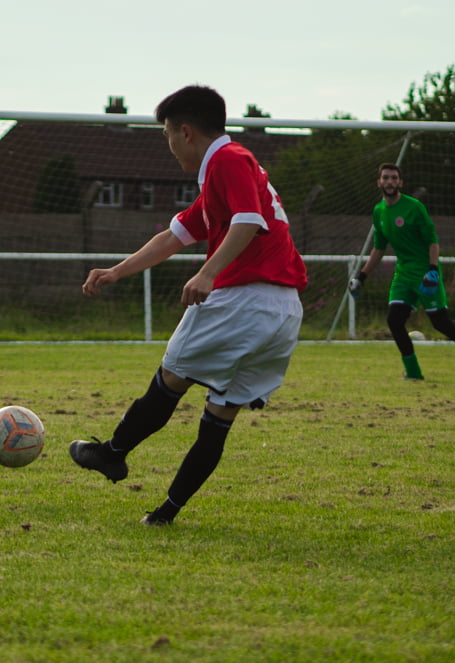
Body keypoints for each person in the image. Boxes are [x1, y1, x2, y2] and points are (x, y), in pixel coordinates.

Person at [68, 84, 307, 525]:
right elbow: (172, 236)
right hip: (284, 312)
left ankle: (112, 454)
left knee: (169, 381)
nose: (169, 145)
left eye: (167, 135)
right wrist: (116, 271)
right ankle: (165, 514)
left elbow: (250, 222)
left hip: (244, 302)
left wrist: (208, 273)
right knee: (219, 415)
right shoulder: (224, 177)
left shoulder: (228, 159)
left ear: (186, 131)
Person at [349, 163, 455, 379]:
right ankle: (413, 373)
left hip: (425, 273)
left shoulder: (414, 207)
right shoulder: (379, 211)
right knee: (394, 321)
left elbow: (432, 240)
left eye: (394, 178)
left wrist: (432, 269)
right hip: (403, 274)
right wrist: (361, 276)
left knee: (442, 324)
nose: (389, 182)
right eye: (385, 178)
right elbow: (379, 248)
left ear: (400, 183)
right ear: (379, 182)